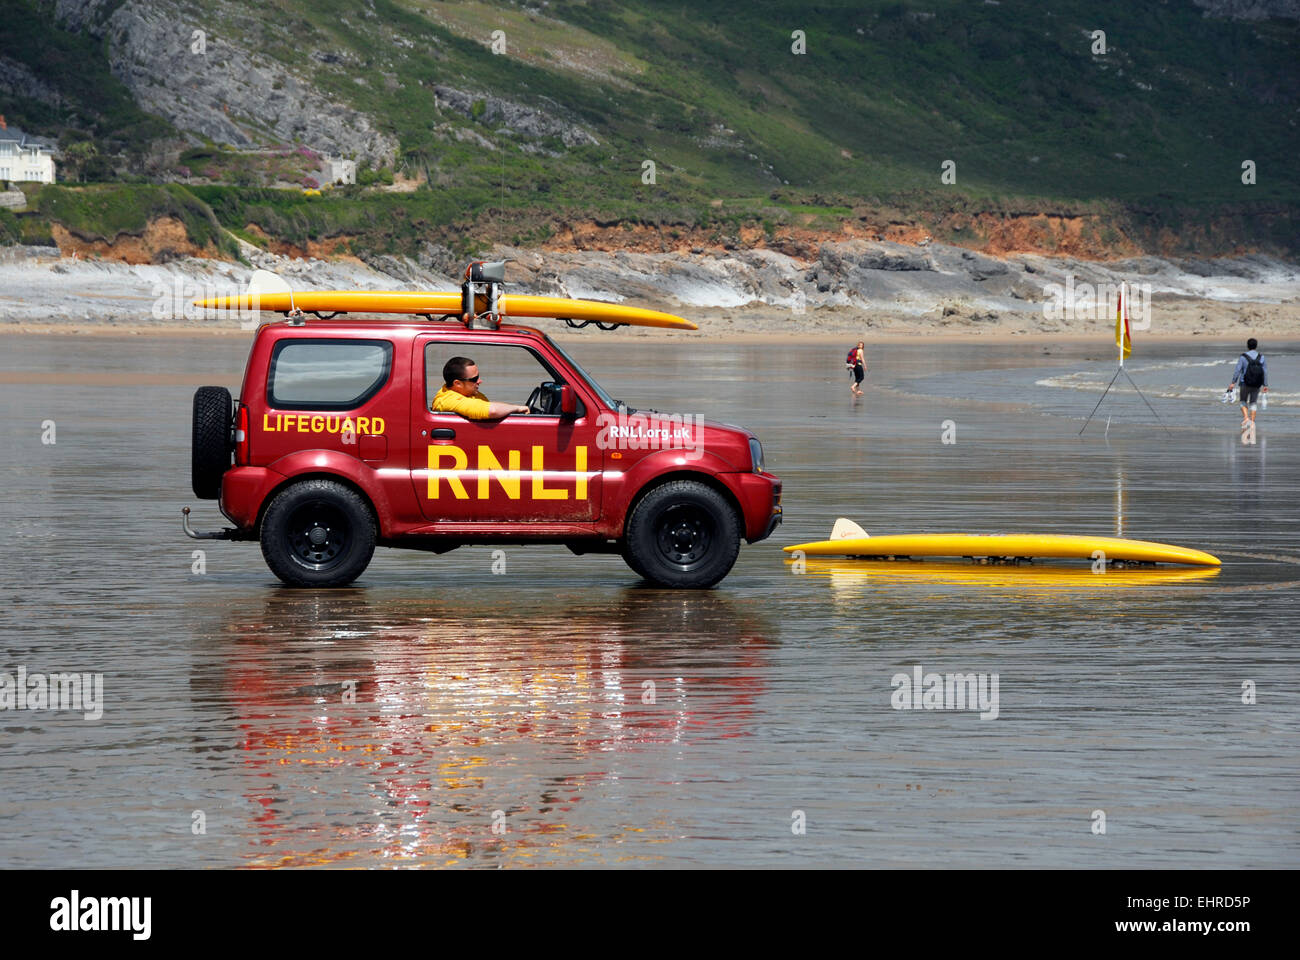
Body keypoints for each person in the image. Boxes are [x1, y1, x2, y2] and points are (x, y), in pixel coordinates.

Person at [432, 356, 530, 420]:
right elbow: (493, 411)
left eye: (478, 376)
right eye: (474, 379)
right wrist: (518, 408)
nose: (480, 381)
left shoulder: (471, 393)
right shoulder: (447, 400)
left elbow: (491, 406)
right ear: (458, 384)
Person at [1228, 338, 1268, 429]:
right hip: (1257, 384)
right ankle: (1252, 422)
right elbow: (1265, 371)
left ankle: (1246, 418)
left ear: (1247, 346)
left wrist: (1233, 382)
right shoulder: (1261, 357)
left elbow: (1237, 370)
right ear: (1256, 346)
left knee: (1243, 401)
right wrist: (1265, 384)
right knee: (1253, 402)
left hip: (1244, 383)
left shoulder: (1243, 357)